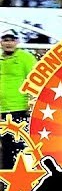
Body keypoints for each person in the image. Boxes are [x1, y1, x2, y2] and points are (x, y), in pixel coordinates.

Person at [0, 30, 36, 169]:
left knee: (18, 145)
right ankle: (7, 175)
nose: (9, 43)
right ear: (1, 42)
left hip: (20, 109)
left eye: (11, 40)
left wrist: (31, 104)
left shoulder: (26, 58)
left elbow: (35, 81)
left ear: (17, 41)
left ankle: (20, 175)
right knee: (5, 145)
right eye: (5, 40)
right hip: (2, 110)